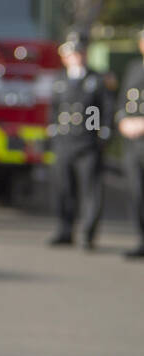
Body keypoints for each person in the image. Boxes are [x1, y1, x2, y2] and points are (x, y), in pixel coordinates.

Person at [47, 31, 113, 249]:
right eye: (71, 54)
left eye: (79, 53)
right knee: (63, 188)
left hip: (87, 143)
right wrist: (54, 133)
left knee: (90, 191)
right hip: (65, 142)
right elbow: (54, 110)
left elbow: (106, 109)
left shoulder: (96, 80)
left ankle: (88, 233)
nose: (75, 57)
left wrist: (103, 135)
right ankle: (65, 229)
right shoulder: (60, 80)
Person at [117, 29, 144, 259]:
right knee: (136, 193)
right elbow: (123, 102)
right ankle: (141, 240)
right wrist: (122, 120)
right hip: (133, 145)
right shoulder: (134, 68)